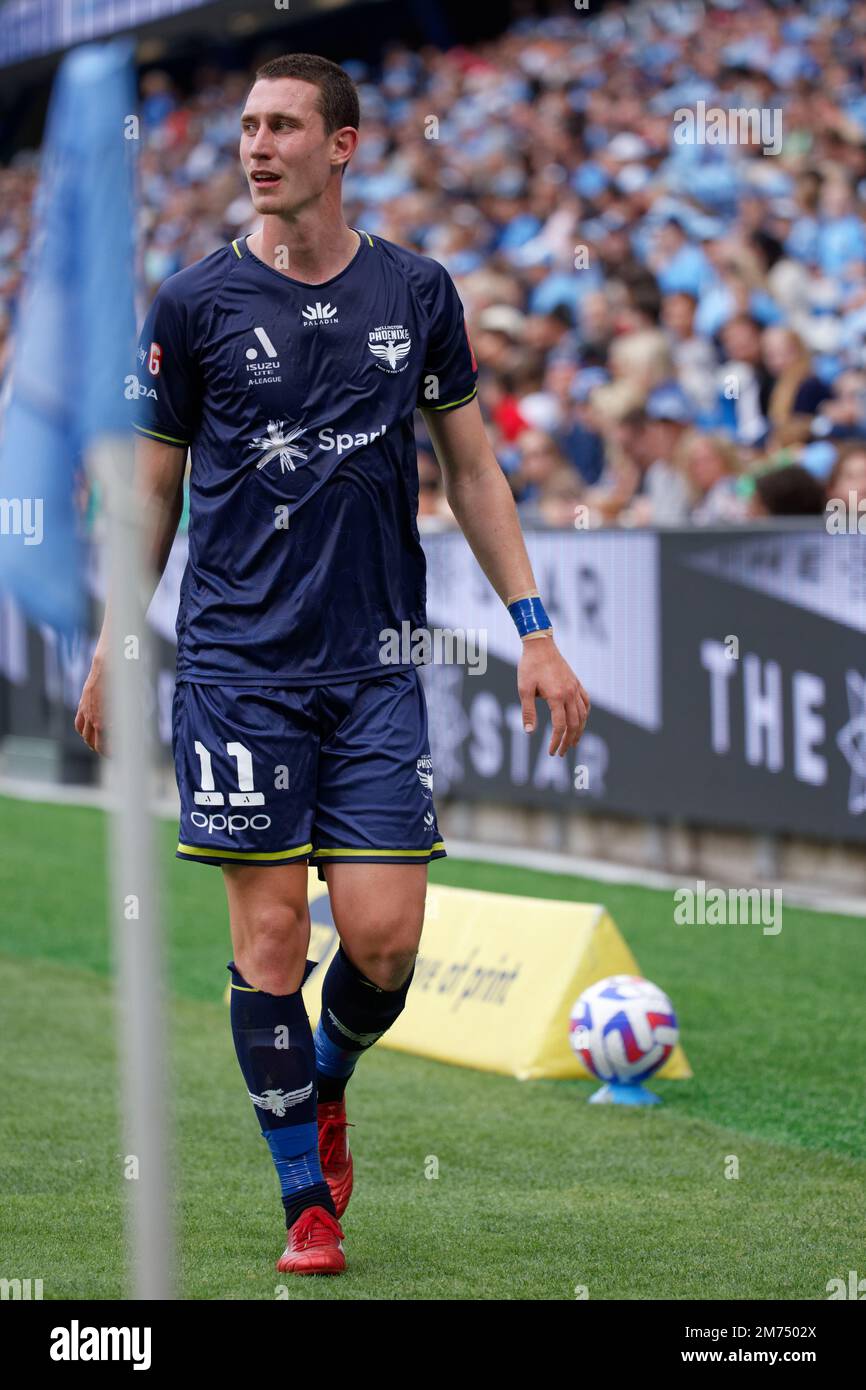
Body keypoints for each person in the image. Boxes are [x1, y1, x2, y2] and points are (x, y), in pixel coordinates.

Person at [74, 53, 589, 1277]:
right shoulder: (193, 303)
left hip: (371, 668)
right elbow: (150, 491)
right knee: (265, 943)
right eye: (248, 124)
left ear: (343, 145)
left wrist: (533, 623)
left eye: (283, 125)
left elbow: (470, 468)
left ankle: (330, 1076)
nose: (257, 144)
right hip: (237, 666)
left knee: (382, 942)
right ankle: (307, 1203)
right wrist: (115, 638)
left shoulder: (416, 291)